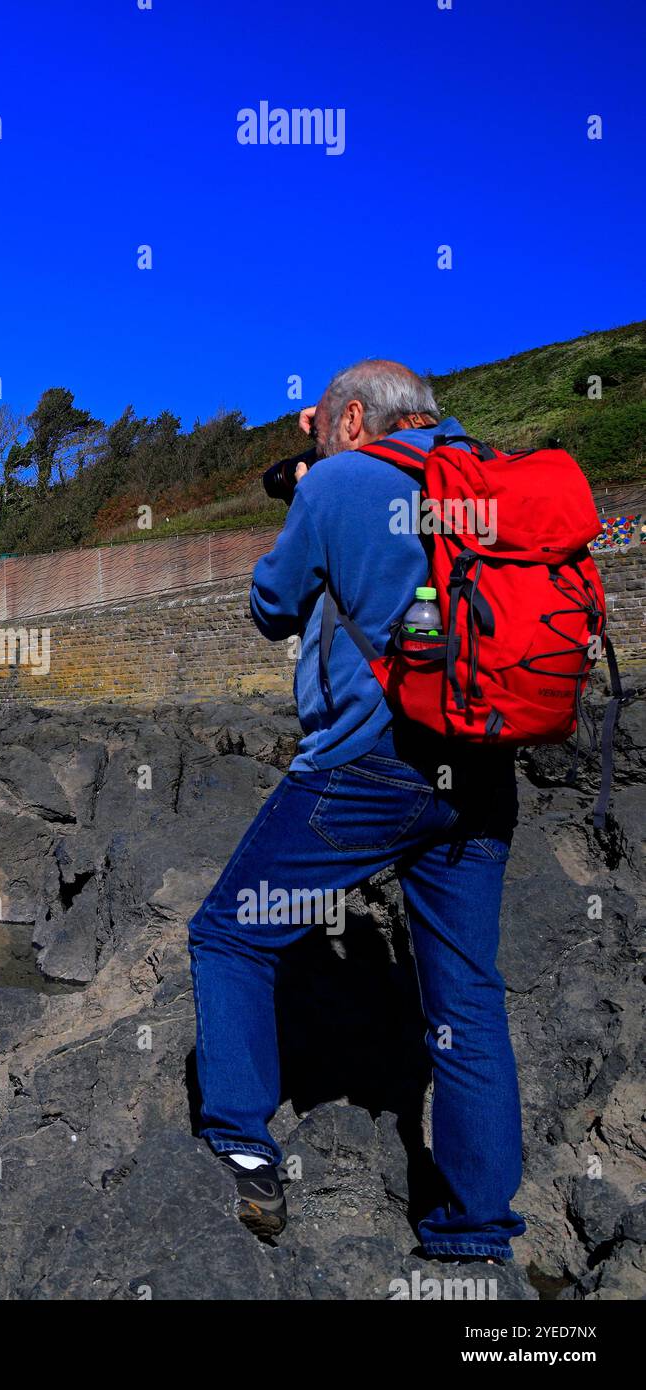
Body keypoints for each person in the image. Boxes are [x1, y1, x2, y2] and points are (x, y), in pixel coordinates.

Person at [187, 360, 524, 1263]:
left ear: (348, 418)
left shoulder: (342, 478)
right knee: (468, 1002)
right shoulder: (485, 473)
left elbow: (270, 605)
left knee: (229, 935)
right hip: (484, 770)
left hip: (372, 766)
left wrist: (313, 493)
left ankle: (245, 1149)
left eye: (328, 428)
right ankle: (476, 1232)